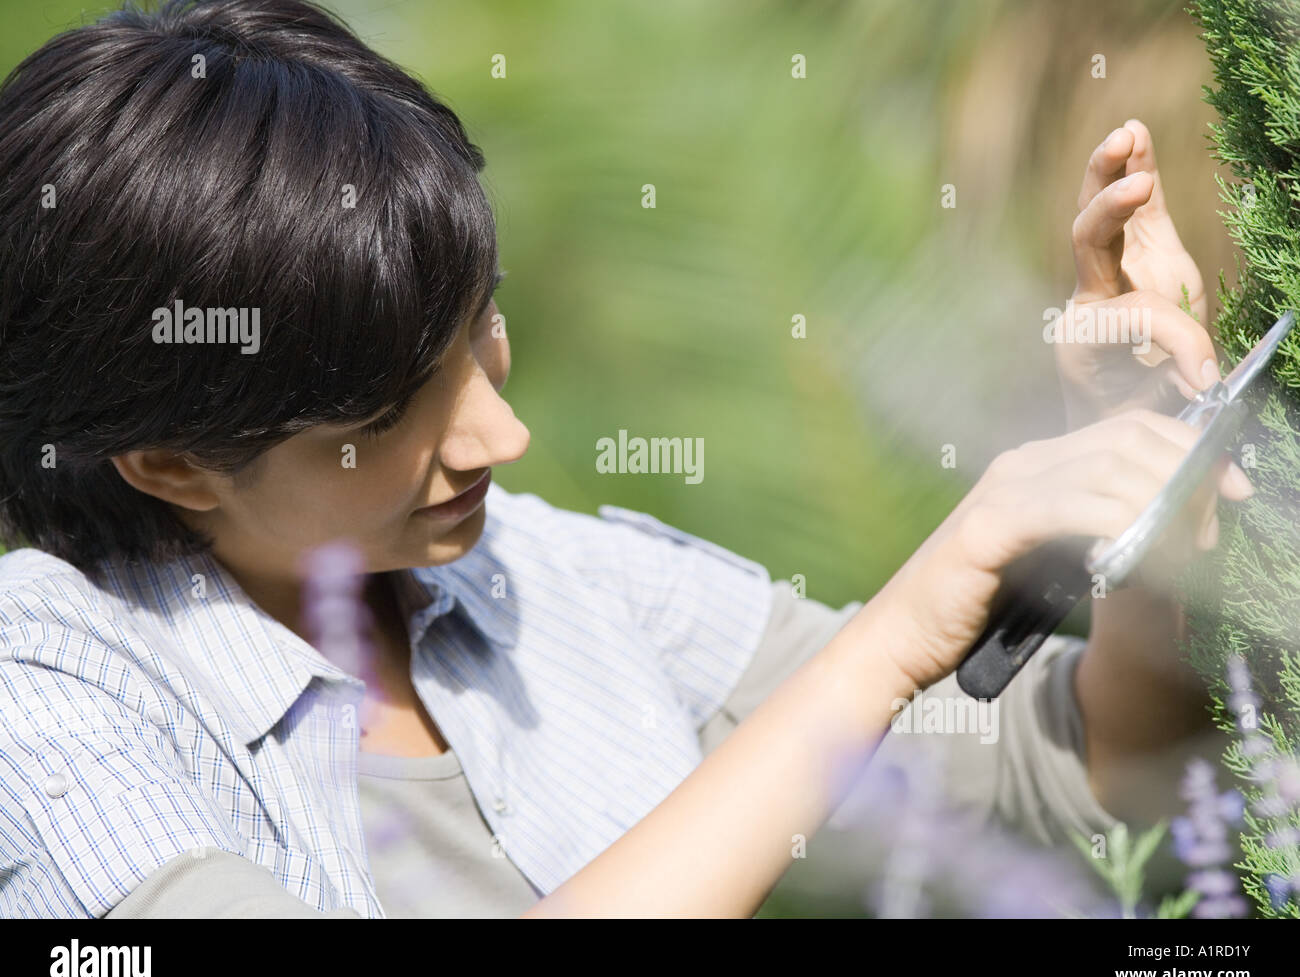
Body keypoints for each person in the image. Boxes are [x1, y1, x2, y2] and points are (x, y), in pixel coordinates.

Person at [0, 0, 1240, 918]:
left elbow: (1079, 774)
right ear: (169, 464)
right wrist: (899, 627)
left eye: (478, 332)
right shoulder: (48, 689)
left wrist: (1134, 513)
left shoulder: (551, 578)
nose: (499, 435)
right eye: (379, 421)